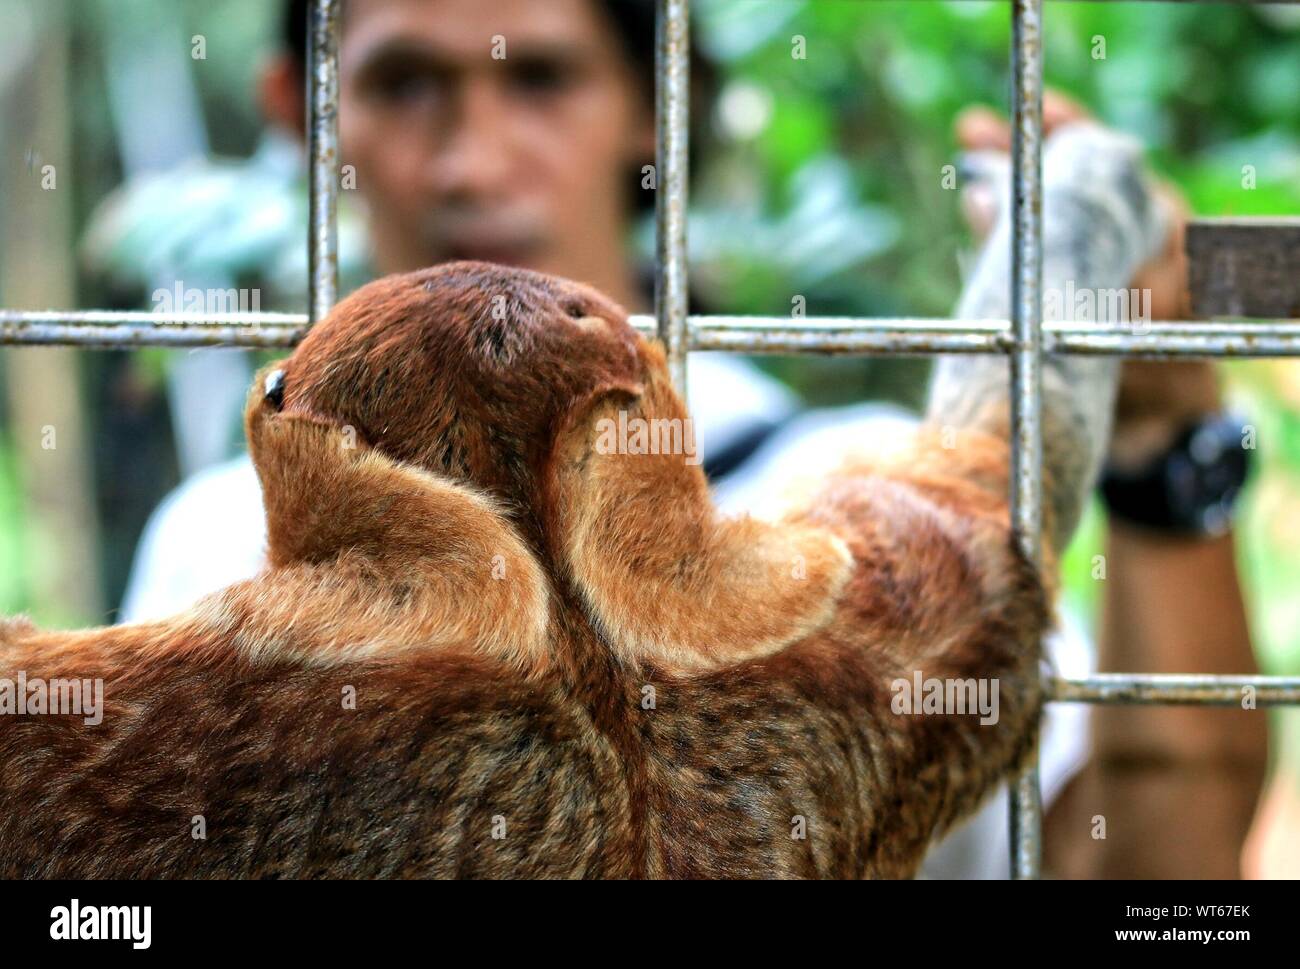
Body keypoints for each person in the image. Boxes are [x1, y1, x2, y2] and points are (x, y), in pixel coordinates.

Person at [118, 0, 1266, 877]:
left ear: (654, 101)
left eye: (543, 80)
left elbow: (1162, 887)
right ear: (303, 111)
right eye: (406, 82)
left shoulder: (837, 489)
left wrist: (1159, 442)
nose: (470, 160)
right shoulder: (213, 543)